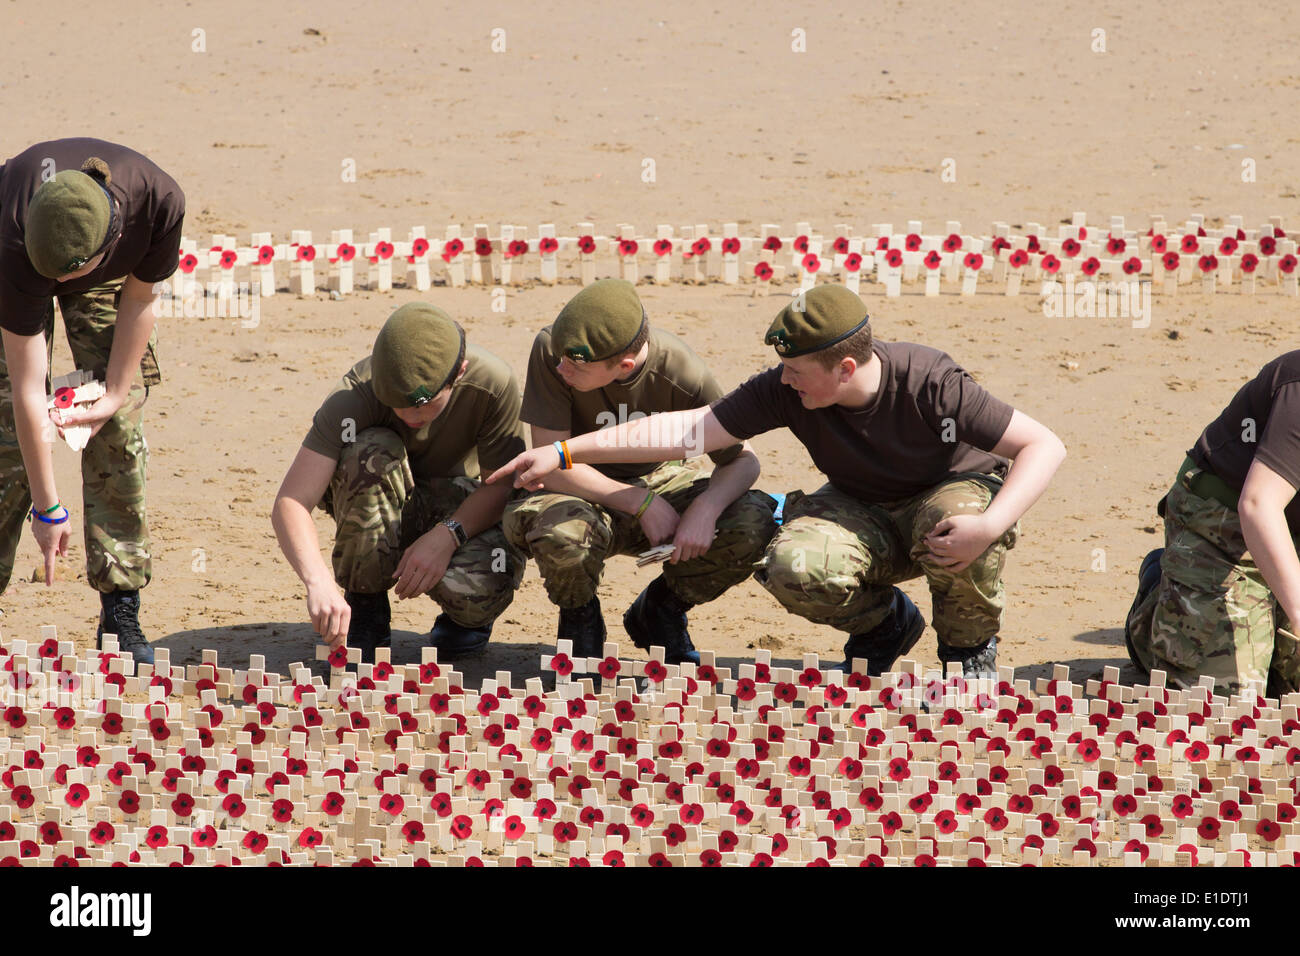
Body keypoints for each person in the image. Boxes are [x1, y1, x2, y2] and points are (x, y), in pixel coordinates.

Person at [492, 284, 1066, 680]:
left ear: (844, 369)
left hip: (945, 492)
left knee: (960, 526)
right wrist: (567, 450)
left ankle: (968, 657)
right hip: (860, 504)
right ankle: (884, 623)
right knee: (792, 565)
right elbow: (691, 431)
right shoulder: (785, 387)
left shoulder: (931, 381)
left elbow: (1043, 445)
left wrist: (990, 523)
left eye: (797, 372)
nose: (785, 381)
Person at [502, 279, 775, 667]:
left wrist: (707, 507)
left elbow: (743, 458)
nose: (561, 368)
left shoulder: (680, 370)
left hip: (659, 479)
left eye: (575, 366)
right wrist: (639, 502)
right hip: (576, 487)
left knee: (751, 521)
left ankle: (661, 610)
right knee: (561, 534)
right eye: (561, 358)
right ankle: (581, 621)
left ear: (625, 366)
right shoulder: (555, 351)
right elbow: (550, 465)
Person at [0, 138, 186, 664]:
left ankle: (120, 601)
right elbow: (26, 386)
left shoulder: (158, 203)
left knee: (118, 424)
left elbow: (140, 298)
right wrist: (48, 506)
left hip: (104, 273)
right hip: (19, 260)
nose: (56, 289)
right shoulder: (14, 244)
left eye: (66, 278)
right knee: (6, 434)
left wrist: (116, 393)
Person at [272, 303, 527, 663]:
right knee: (371, 450)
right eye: (396, 404)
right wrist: (318, 582)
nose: (409, 416)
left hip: (459, 507)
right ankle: (366, 604)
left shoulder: (493, 384)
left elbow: (503, 486)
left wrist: (447, 535)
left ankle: (463, 623)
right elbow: (292, 501)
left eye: (422, 405)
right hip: (379, 502)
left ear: (461, 373)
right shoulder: (355, 394)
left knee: (482, 584)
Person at [1125, 351, 1300, 696]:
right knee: (1223, 698)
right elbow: (1258, 505)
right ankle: (1158, 609)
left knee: (1289, 684)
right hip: (1224, 527)